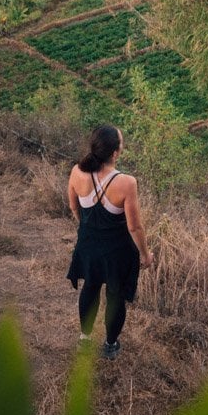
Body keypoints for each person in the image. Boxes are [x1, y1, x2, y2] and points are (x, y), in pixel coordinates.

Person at [66, 124, 155, 360]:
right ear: (115, 153)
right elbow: (134, 226)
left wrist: (88, 228)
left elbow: (74, 206)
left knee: (90, 287)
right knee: (115, 297)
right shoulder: (126, 183)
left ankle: (85, 341)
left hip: (88, 245)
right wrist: (145, 254)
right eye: (122, 143)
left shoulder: (77, 171)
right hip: (117, 252)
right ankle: (110, 344)